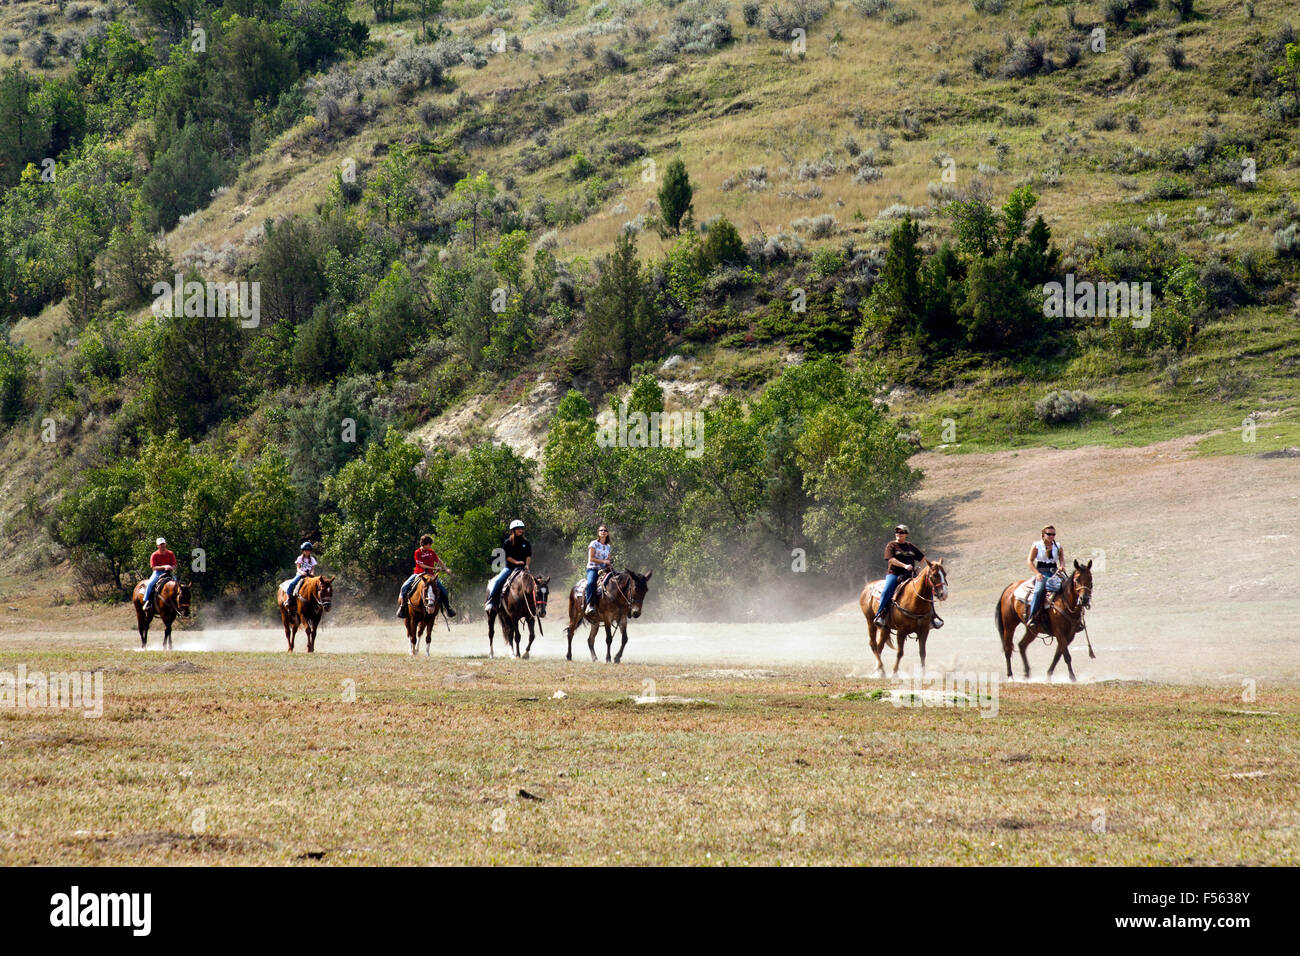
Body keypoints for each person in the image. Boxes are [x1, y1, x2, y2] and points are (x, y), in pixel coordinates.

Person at [873, 525, 943, 629]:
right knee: (887, 590)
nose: (898, 534)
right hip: (894, 574)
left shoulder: (910, 546)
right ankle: (881, 615)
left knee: (928, 590)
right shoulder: (891, 545)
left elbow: (923, 557)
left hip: (910, 575)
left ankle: (932, 617)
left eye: (901, 532)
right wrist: (905, 565)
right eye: (897, 532)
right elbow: (891, 560)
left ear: (906, 534)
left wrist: (919, 567)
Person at [397, 534, 455, 619]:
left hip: (431, 576)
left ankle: (448, 608)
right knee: (404, 587)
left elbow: (439, 561)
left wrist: (446, 569)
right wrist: (434, 568)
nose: (430, 546)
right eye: (429, 544)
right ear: (425, 544)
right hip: (418, 574)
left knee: (443, 590)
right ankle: (402, 607)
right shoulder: (417, 552)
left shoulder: (431, 552)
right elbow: (422, 565)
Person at [485, 519, 531, 613]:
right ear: (513, 530)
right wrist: (516, 562)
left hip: (523, 568)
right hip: (510, 568)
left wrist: (527, 565)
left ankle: (535, 605)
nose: (520, 530)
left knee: (534, 583)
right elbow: (507, 557)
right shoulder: (508, 542)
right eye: (517, 528)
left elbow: (528, 556)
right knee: (498, 581)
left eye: (521, 528)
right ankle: (491, 601)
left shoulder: (526, 543)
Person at [1026, 525, 1065, 628]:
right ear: (1043, 535)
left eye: (1053, 534)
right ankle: (1033, 617)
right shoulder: (1037, 545)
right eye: (1049, 534)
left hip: (1054, 572)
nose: (1051, 536)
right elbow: (1029, 561)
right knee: (1039, 591)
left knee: (1070, 587)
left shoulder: (1058, 546)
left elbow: (1061, 557)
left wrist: (1062, 566)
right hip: (1042, 572)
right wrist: (1037, 573)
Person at [583, 525, 613, 614]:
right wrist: (604, 561)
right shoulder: (593, 543)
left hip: (604, 570)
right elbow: (591, 558)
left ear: (607, 533)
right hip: (593, 568)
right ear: (598, 533)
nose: (603, 532)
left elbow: (608, 560)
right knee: (591, 583)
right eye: (601, 530)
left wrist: (609, 564)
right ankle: (590, 604)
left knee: (617, 581)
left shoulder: (608, 546)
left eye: (605, 530)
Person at [143, 537, 177, 609]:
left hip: (169, 572)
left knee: (177, 584)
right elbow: (154, 568)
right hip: (158, 572)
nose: (162, 546)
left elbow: (174, 564)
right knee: (150, 584)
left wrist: (171, 567)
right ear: (158, 546)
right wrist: (164, 567)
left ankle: (177, 602)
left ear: (166, 544)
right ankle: (147, 601)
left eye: (163, 544)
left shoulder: (170, 553)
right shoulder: (154, 555)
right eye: (161, 545)